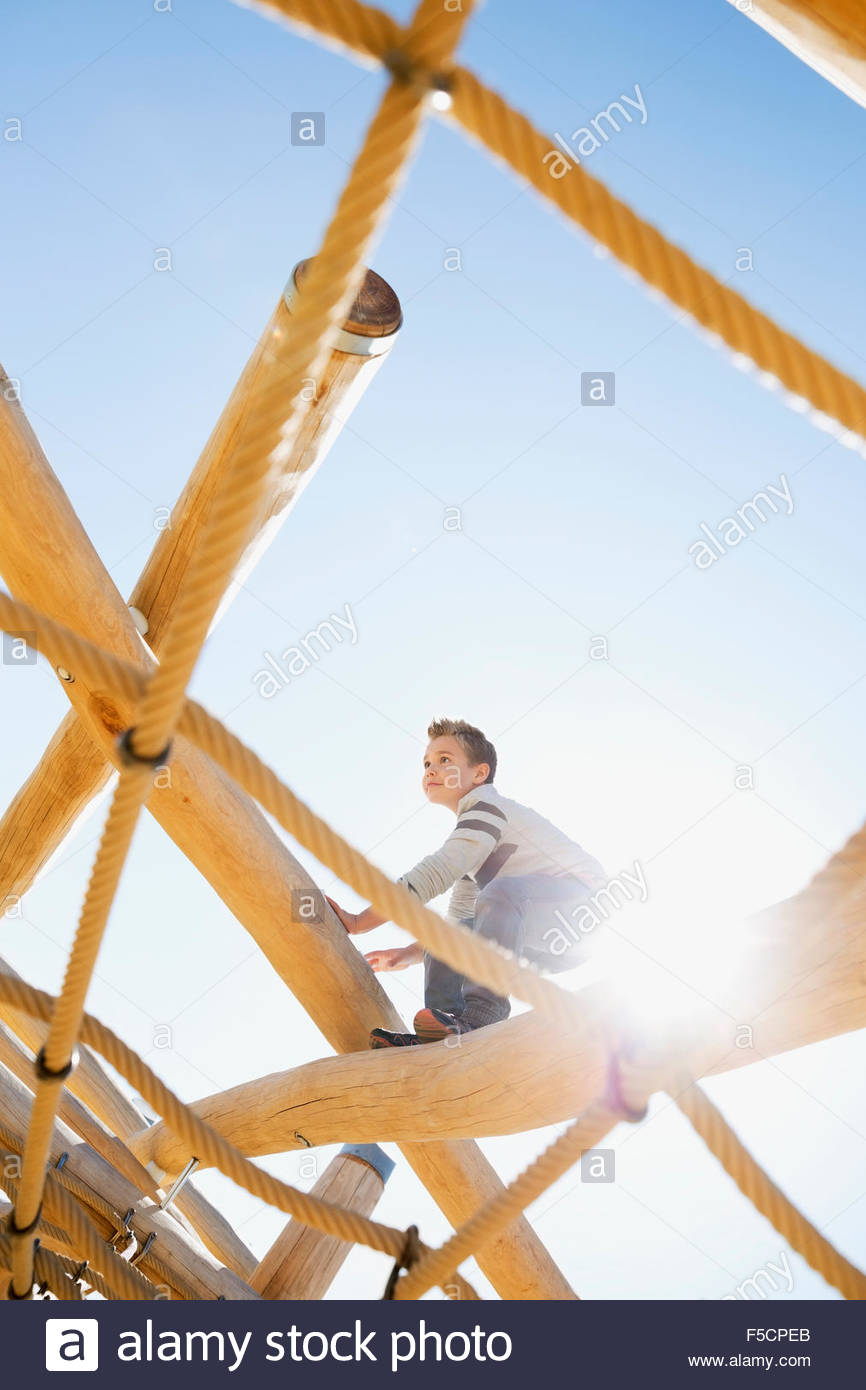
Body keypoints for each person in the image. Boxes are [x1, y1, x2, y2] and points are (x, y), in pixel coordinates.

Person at [326, 717, 607, 1048]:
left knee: (501, 893)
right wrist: (409, 953)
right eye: (427, 763)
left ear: (479, 774)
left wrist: (360, 922)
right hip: (540, 938)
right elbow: (462, 922)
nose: (430, 770)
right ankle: (443, 1030)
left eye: (445, 760)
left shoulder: (488, 809)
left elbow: (435, 872)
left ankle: (483, 1014)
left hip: (582, 909)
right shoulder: (476, 843)